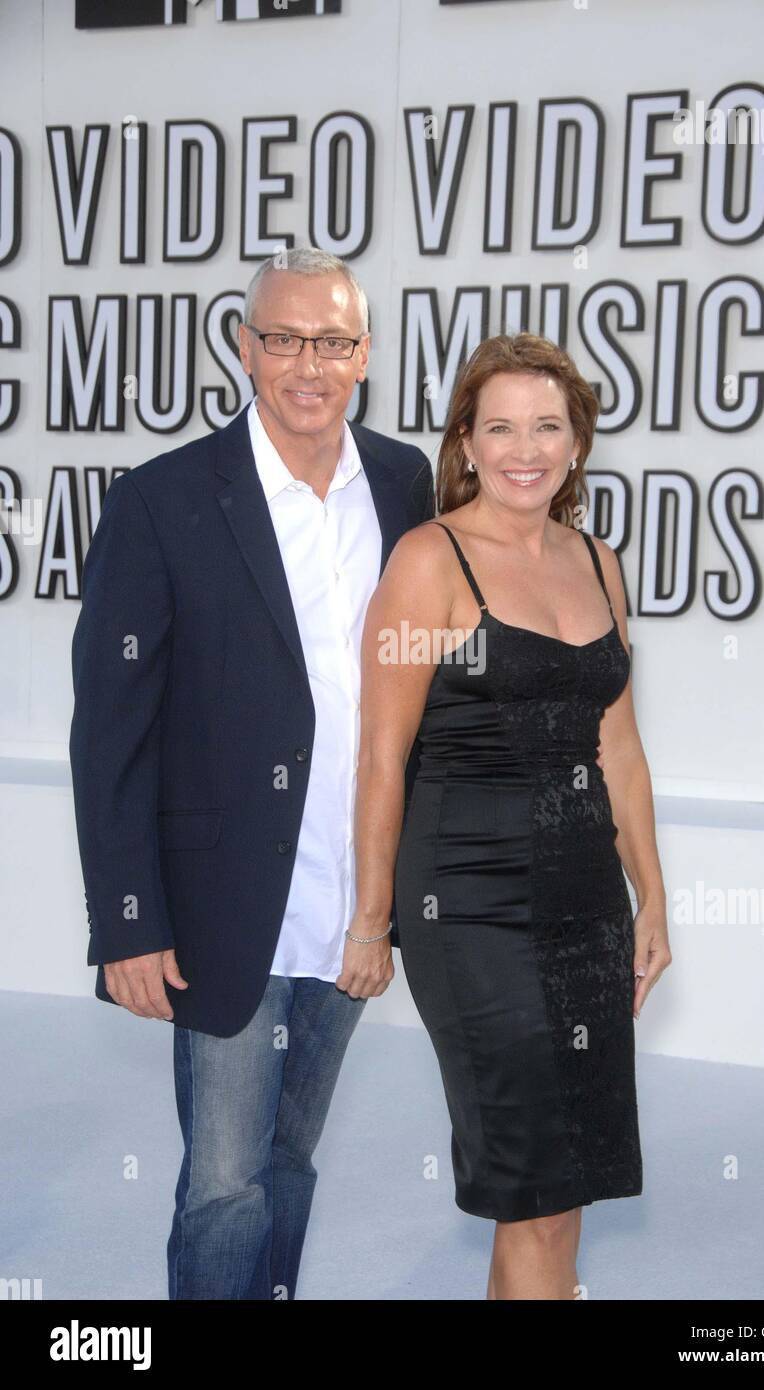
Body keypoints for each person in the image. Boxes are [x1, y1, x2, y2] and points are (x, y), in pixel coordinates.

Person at [68, 247, 434, 1300]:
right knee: (224, 1181)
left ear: (362, 353)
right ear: (244, 347)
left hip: (356, 896)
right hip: (222, 901)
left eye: (329, 340)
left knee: (287, 1158)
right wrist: (127, 918)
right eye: (281, 338)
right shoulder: (162, 499)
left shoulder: (406, 484)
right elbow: (112, 730)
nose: (305, 364)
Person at [352, 332, 671, 1301]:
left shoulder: (597, 561)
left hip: (584, 899)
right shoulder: (428, 559)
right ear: (465, 442)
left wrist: (649, 899)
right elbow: (379, 755)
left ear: (577, 442)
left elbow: (616, 744)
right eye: (498, 427)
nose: (522, 448)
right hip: (469, 902)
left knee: (566, 1179)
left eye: (545, 425)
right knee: (531, 1180)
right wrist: (372, 922)